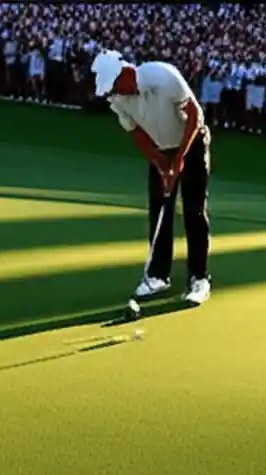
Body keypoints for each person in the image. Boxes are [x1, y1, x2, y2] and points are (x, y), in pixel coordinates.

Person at [91, 49, 213, 306]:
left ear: (124, 73)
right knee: (159, 209)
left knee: (194, 209)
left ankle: (199, 278)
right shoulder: (117, 100)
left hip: (192, 141)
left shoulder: (162, 75)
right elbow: (137, 134)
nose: (114, 94)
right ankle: (157, 276)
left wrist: (180, 158)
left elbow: (194, 115)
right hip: (161, 147)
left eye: (114, 86)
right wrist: (160, 164)